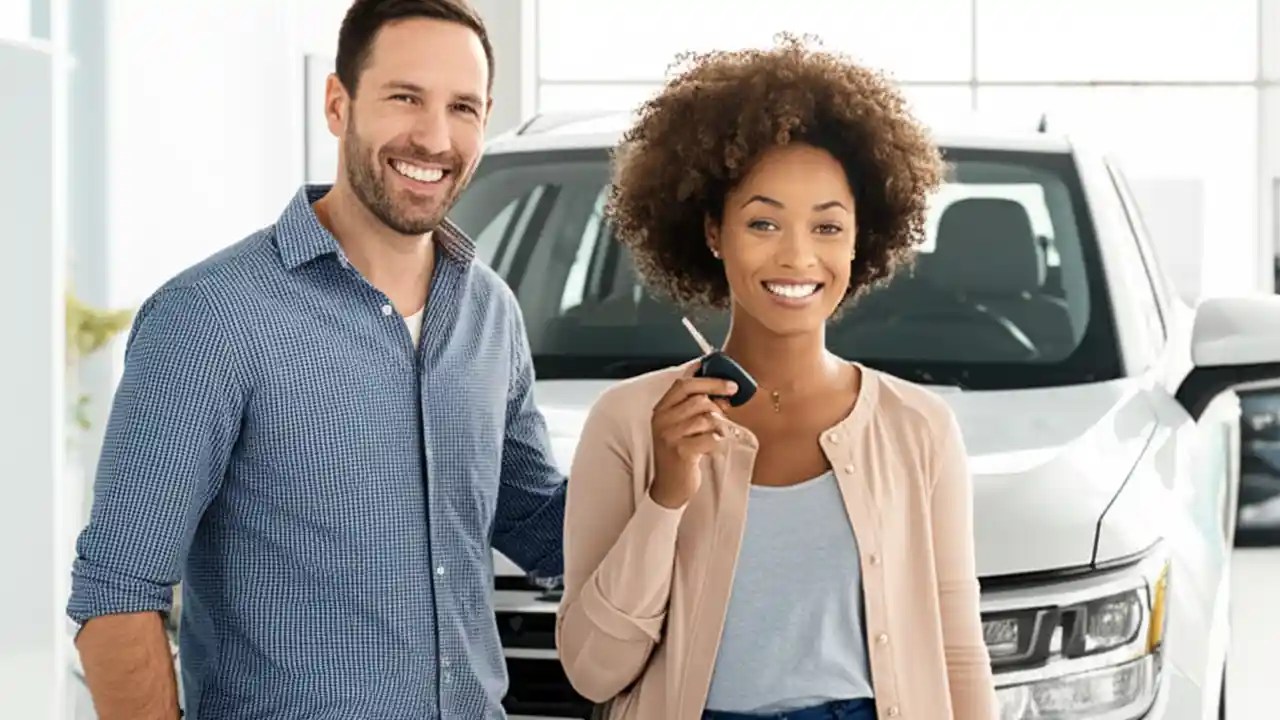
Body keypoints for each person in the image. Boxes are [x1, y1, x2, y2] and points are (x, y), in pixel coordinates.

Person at [67, 1, 565, 718]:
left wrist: (675, 466)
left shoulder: (491, 313)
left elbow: (544, 530)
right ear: (338, 104)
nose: (434, 137)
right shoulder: (211, 317)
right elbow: (116, 599)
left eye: (463, 107)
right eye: (405, 98)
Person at [556, 36, 999, 720]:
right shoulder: (629, 422)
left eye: (827, 227)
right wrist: (666, 497)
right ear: (713, 230)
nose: (798, 256)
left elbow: (959, 655)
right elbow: (592, 672)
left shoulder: (919, 428)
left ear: (861, 239)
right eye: (763, 222)